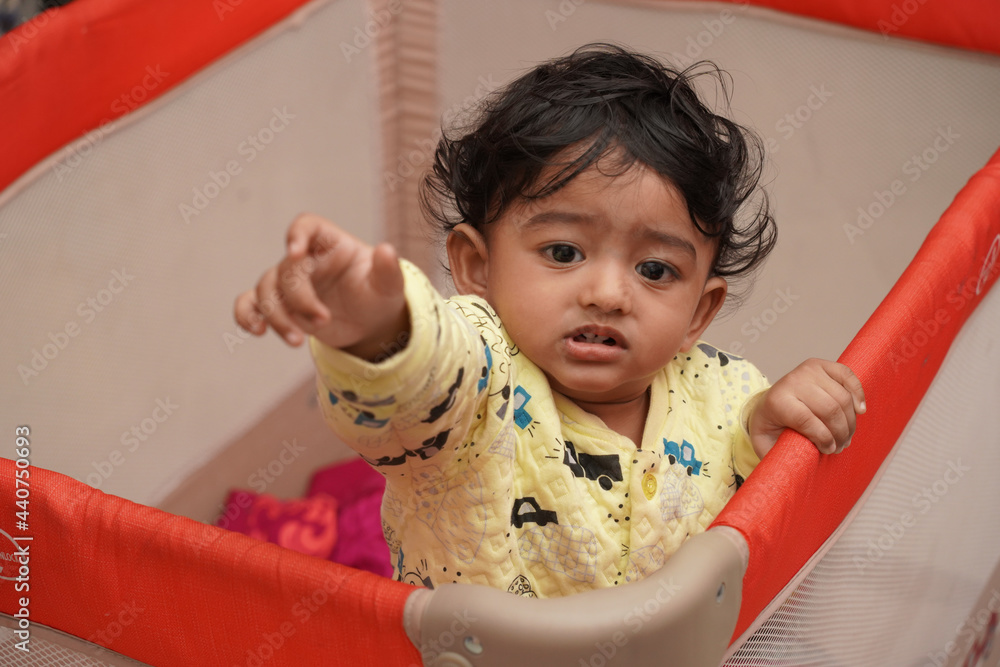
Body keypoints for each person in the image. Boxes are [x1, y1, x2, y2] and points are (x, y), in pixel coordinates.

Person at [234, 43, 865, 599]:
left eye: (655, 271)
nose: (610, 293)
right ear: (476, 266)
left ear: (700, 310)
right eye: (564, 253)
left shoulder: (725, 392)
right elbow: (420, 387)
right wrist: (376, 325)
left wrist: (773, 426)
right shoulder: (482, 373)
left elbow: (761, 507)